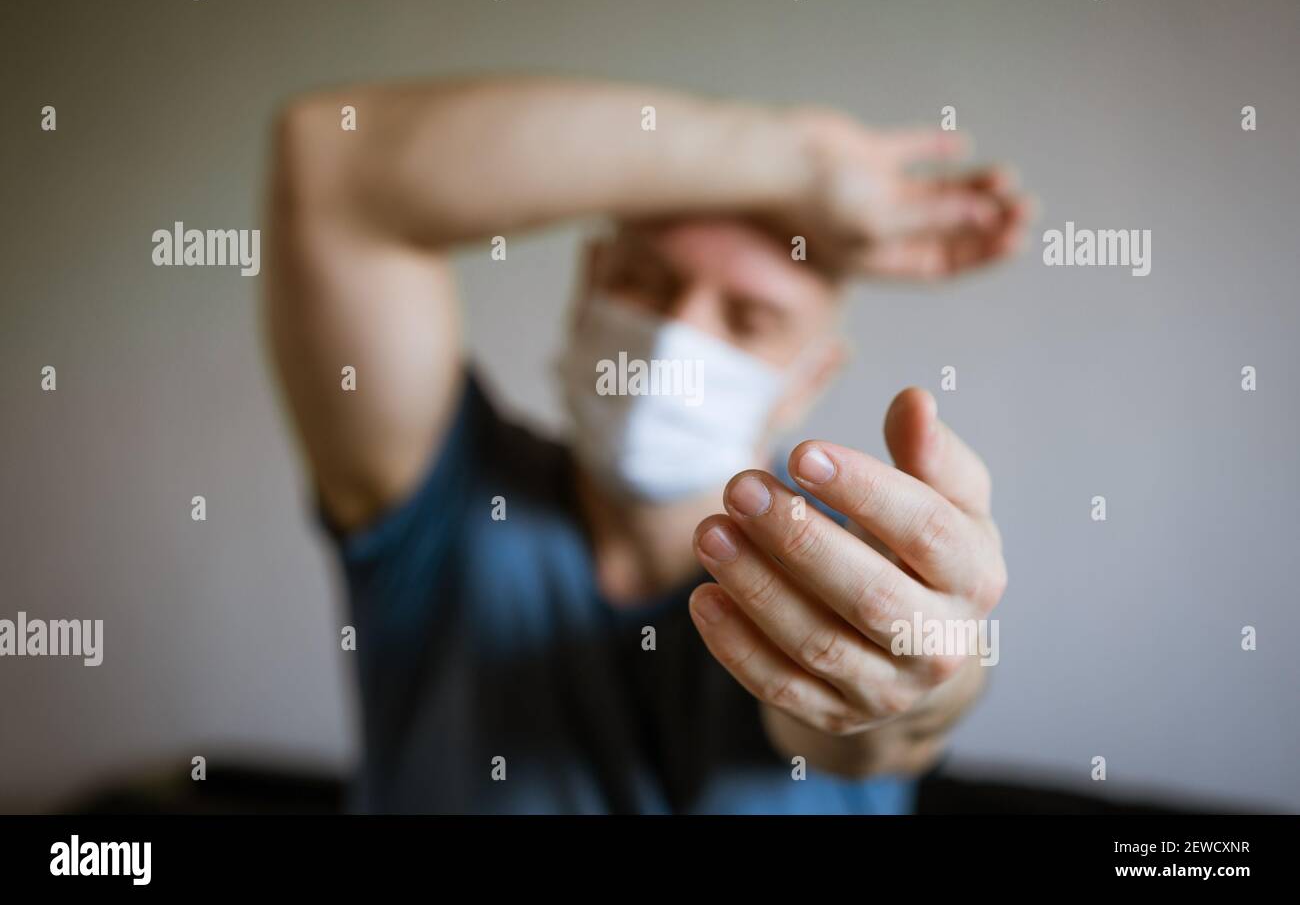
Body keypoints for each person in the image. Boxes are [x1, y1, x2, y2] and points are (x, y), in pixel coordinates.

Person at [264, 77, 1029, 813]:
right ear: (589, 281)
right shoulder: (451, 500)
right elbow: (332, 162)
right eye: (645, 282)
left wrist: (922, 678)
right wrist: (800, 160)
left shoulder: (839, 569)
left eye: (747, 319)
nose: (674, 338)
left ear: (809, 377)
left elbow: (867, 724)